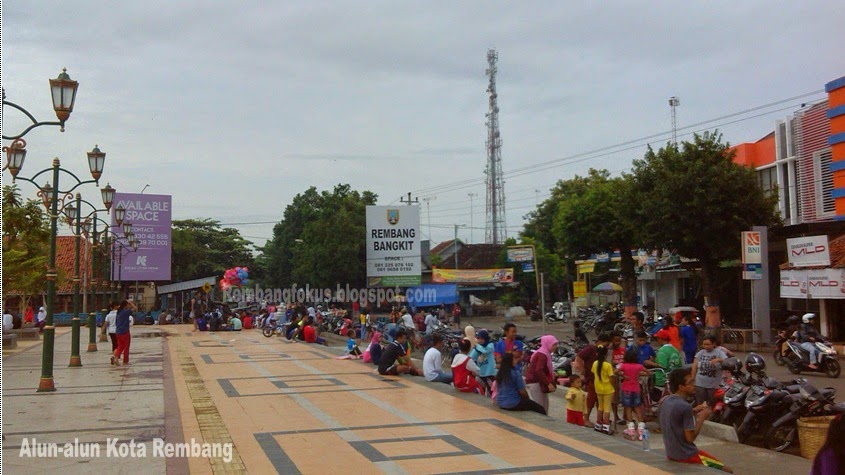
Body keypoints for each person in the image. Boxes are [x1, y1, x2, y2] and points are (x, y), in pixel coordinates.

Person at [660, 368, 733, 473]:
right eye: (690, 382)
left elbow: (675, 416)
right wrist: (702, 418)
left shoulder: (666, 401)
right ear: (681, 387)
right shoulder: (685, 407)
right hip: (687, 455)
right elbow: (690, 438)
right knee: (727, 471)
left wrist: (693, 410)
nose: (694, 384)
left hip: (671, 453)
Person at [573, 333, 611, 427]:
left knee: (599, 401)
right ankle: (585, 419)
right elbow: (579, 357)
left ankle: (601, 419)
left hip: (599, 379)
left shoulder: (601, 353)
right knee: (591, 400)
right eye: (606, 345)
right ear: (600, 342)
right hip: (592, 378)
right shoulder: (590, 349)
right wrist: (582, 371)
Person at [617, 348, 649, 439]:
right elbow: (648, 372)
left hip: (626, 389)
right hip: (636, 389)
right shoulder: (638, 366)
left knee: (628, 408)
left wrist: (623, 375)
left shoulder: (624, 365)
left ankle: (631, 429)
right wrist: (639, 374)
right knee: (637, 408)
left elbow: (616, 372)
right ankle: (641, 430)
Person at [525, 335, 558, 414]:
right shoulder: (542, 355)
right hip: (535, 382)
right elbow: (538, 370)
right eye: (554, 345)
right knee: (540, 407)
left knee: (544, 406)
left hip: (538, 382)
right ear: (548, 344)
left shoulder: (544, 353)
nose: (555, 347)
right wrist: (548, 383)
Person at [691, 335, 727, 406]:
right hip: (700, 383)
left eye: (708, 344)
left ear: (713, 344)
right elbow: (694, 366)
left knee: (712, 404)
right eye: (704, 344)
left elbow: (727, 361)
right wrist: (692, 379)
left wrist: (719, 360)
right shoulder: (700, 353)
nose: (706, 346)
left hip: (713, 385)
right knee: (700, 404)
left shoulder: (719, 353)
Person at [592, 344, 615, 434]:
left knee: (600, 407)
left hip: (598, 388)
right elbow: (611, 377)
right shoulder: (607, 365)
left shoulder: (595, 363)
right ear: (606, 355)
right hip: (607, 389)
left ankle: (598, 424)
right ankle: (606, 426)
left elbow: (593, 373)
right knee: (607, 408)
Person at [470, 329, 497, 395]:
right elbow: (471, 357)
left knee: (491, 391)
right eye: (479, 338)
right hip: (481, 373)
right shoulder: (477, 348)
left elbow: (485, 351)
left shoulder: (490, 345)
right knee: (480, 390)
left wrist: (477, 346)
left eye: (482, 338)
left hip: (490, 373)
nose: (480, 340)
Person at [609, 331, 627, 426]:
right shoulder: (608, 351)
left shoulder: (623, 350)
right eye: (615, 341)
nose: (618, 343)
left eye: (619, 341)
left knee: (624, 397)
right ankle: (616, 416)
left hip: (624, 377)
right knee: (614, 398)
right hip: (614, 376)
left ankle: (625, 416)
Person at [112, 300, 136, 366]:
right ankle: (125, 361)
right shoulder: (126, 312)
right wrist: (131, 303)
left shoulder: (118, 312)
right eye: (128, 304)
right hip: (125, 331)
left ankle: (116, 357)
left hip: (118, 332)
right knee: (126, 347)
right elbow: (135, 308)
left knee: (120, 346)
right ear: (126, 305)